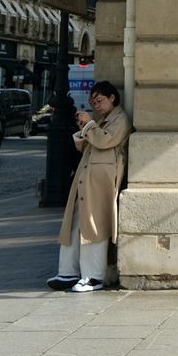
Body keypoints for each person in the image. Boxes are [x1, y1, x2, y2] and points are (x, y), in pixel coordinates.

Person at [47, 80, 131, 294]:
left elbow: (105, 141)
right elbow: (86, 144)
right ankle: (68, 271)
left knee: (95, 225)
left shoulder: (120, 119)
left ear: (112, 98)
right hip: (87, 178)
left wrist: (89, 125)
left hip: (101, 182)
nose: (96, 105)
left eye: (99, 101)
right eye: (93, 102)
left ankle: (93, 276)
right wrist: (86, 127)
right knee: (74, 224)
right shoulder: (101, 120)